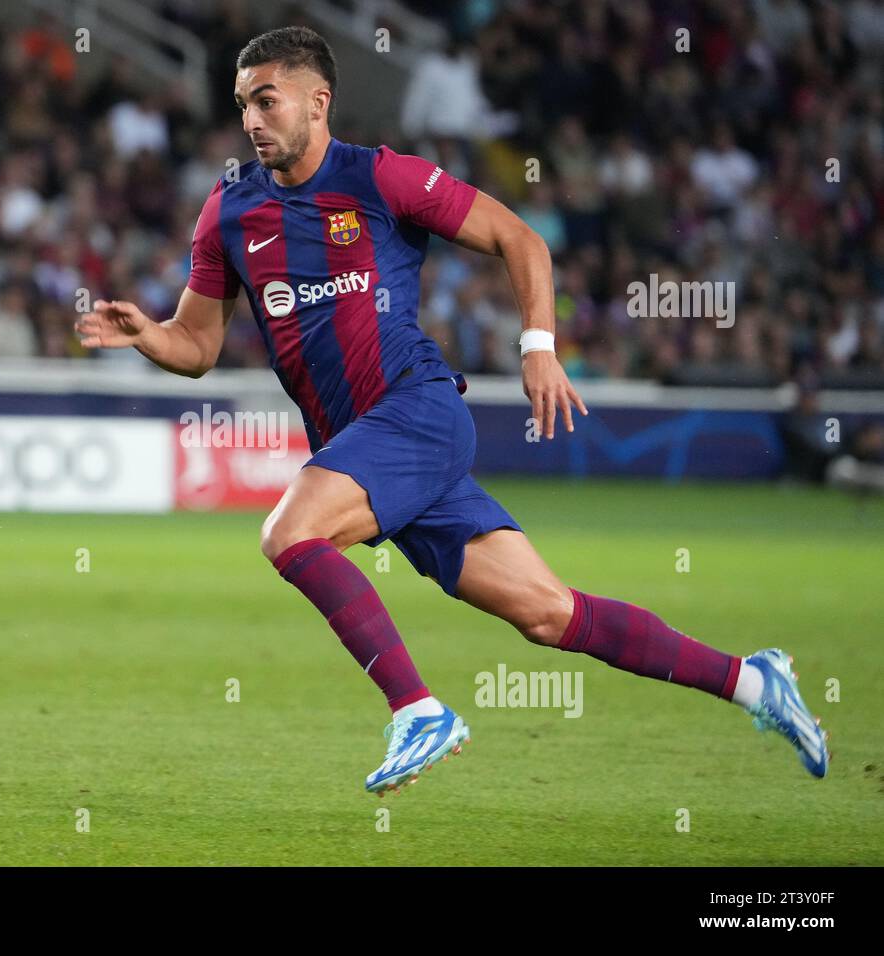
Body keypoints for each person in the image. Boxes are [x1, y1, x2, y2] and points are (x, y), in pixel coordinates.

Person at [76, 27, 829, 793]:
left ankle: (417, 711)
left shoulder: (381, 177)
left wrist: (539, 347)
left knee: (290, 532)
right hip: (369, 448)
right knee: (549, 614)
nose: (251, 120)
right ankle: (753, 681)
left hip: (417, 411)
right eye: (243, 104)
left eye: (266, 101)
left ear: (318, 101)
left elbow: (518, 238)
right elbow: (197, 345)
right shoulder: (231, 211)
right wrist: (147, 335)